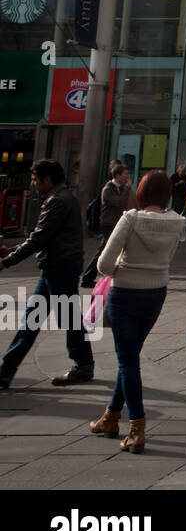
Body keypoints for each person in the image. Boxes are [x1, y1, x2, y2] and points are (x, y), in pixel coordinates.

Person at [85, 169, 186, 453]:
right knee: (129, 357)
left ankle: (137, 429)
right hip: (155, 294)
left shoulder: (130, 218)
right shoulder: (177, 222)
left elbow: (103, 266)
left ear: (141, 192)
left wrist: (123, 267)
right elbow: (167, 259)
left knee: (128, 361)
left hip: (125, 294)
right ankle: (110, 417)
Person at [0, 160, 95, 390]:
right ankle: (6, 372)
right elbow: (43, 237)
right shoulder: (62, 198)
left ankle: (82, 365)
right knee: (40, 321)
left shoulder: (57, 201)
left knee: (55, 320)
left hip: (59, 269)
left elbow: (39, 238)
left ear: (47, 180)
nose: (33, 184)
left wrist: (7, 261)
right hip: (57, 267)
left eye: (35, 179)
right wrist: (12, 251)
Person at [82, 162, 136, 287]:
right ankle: (88, 278)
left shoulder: (120, 188)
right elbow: (119, 203)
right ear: (117, 175)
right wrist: (127, 188)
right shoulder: (108, 189)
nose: (128, 177)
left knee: (105, 251)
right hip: (108, 224)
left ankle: (89, 278)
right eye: (125, 174)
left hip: (115, 223)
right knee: (105, 251)